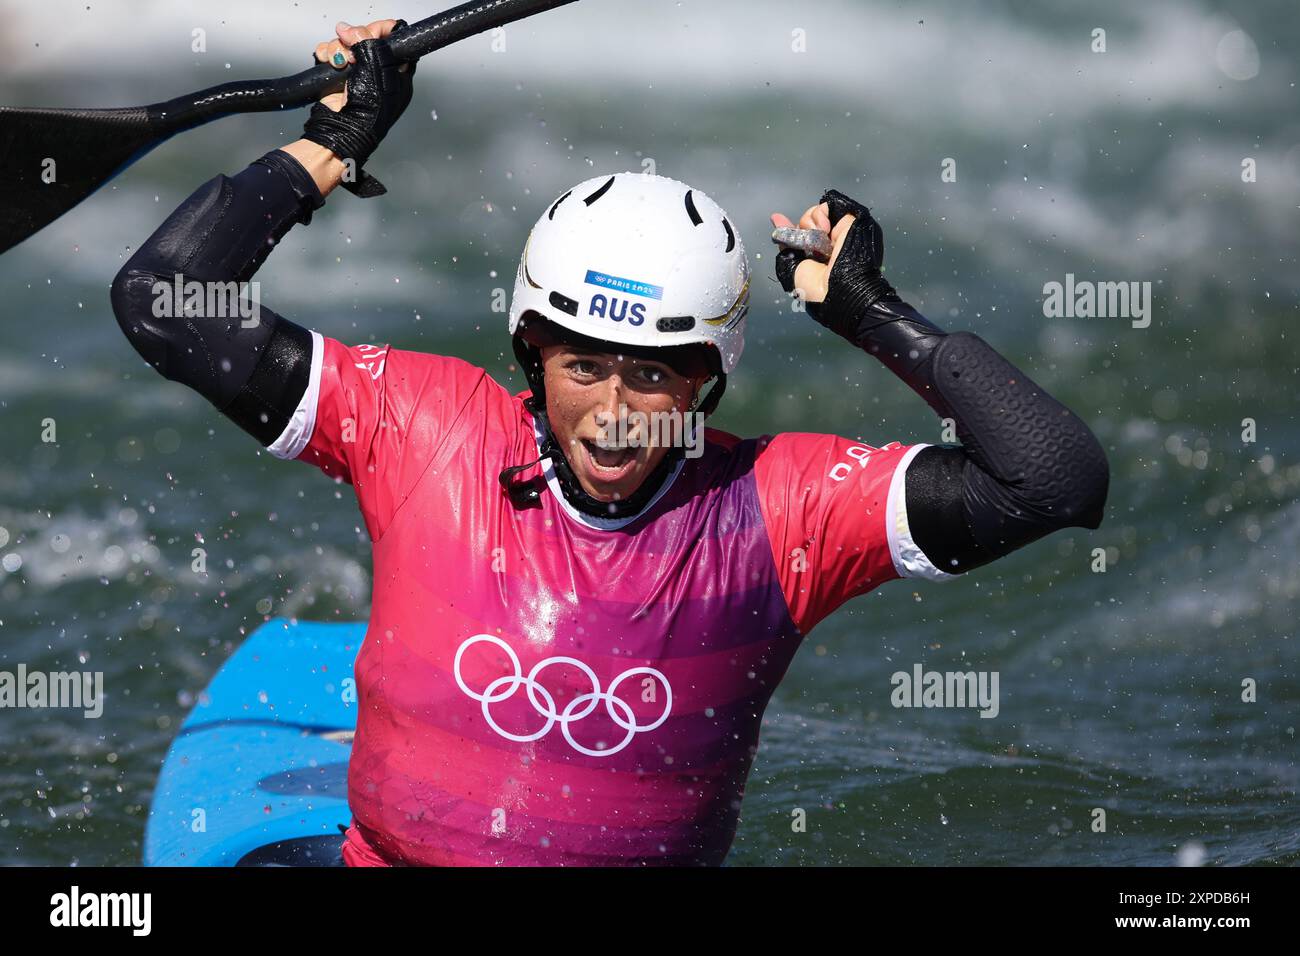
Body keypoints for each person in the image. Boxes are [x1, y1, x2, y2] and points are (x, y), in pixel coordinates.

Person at [111, 19, 1109, 866]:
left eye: (655, 373)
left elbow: (1053, 477)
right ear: (531, 352)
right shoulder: (426, 430)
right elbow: (164, 303)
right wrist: (329, 149)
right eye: (583, 366)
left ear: (708, 378)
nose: (616, 409)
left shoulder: (783, 506)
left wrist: (872, 312)